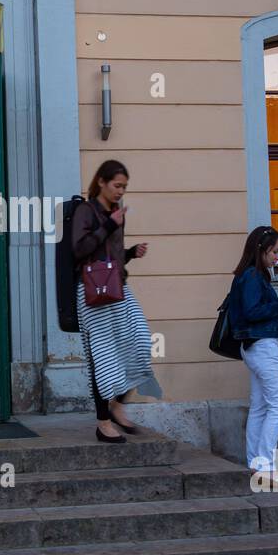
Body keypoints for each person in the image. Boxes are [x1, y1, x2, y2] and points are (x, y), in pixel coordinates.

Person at [72, 159, 160, 443]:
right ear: (101, 182)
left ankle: (118, 406)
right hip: (91, 291)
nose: (121, 191)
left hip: (118, 287)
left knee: (141, 343)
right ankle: (103, 422)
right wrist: (109, 224)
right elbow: (80, 249)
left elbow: (113, 255)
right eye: (117, 185)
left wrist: (132, 252)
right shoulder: (86, 211)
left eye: (124, 186)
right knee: (103, 356)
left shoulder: (116, 213)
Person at [228, 226, 278, 485]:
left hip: (254, 346)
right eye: (274, 252)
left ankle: (256, 464)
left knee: (260, 406)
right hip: (262, 346)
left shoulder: (248, 275)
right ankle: (265, 466)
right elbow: (253, 311)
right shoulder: (252, 276)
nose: (277, 258)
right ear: (261, 250)